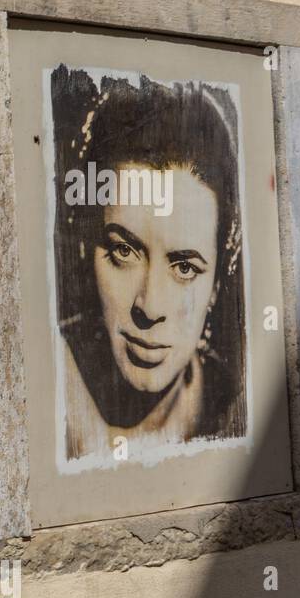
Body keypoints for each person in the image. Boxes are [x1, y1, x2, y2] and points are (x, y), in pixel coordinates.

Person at [53, 70, 246, 461]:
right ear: (86, 249)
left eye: (185, 268)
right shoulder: (45, 390)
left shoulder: (232, 407)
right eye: (123, 251)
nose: (149, 306)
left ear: (217, 286)